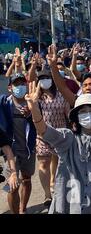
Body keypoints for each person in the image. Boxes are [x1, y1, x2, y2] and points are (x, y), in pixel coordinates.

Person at [34, 66, 70, 208]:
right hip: (42, 135)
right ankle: (47, 195)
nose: (45, 81)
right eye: (41, 79)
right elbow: (32, 103)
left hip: (60, 134)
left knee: (59, 161)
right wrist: (38, 88)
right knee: (43, 163)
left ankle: (55, 183)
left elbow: (67, 112)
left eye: (47, 78)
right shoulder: (37, 97)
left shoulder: (61, 95)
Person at [0, 73, 37, 214]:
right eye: (16, 84)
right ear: (10, 88)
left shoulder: (33, 103)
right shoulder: (4, 103)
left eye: (23, 84)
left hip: (28, 150)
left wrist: (31, 112)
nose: (20, 87)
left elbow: (41, 124)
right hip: (10, 152)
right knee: (12, 186)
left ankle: (23, 209)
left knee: (27, 180)